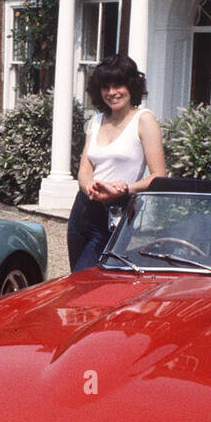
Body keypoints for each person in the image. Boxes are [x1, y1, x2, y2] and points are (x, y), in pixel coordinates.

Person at [67, 54, 166, 271]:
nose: (111, 93)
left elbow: (159, 176)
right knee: (76, 282)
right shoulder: (96, 120)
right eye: (105, 87)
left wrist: (123, 189)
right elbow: (85, 168)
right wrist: (90, 187)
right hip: (82, 212)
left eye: (118, 85)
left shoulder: (144, 120)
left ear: (131, 86)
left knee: (89, 284)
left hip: (113, 215)